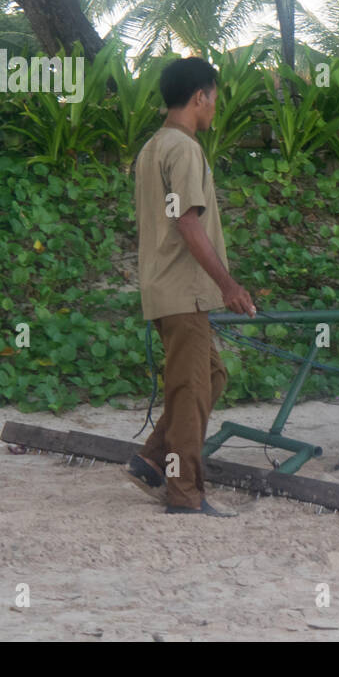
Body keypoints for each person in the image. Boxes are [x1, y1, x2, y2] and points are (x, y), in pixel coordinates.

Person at [125, 57, 257, 516]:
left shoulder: (152, 147)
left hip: (168, 290)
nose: (214, 110)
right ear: (199, 96)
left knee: (209, 379)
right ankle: (184, 491)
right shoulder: (183, 149)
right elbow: (187, 221)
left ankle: (151, 459)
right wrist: (229, 285)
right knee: (189, 391)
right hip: (183, 291)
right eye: (214, 100)